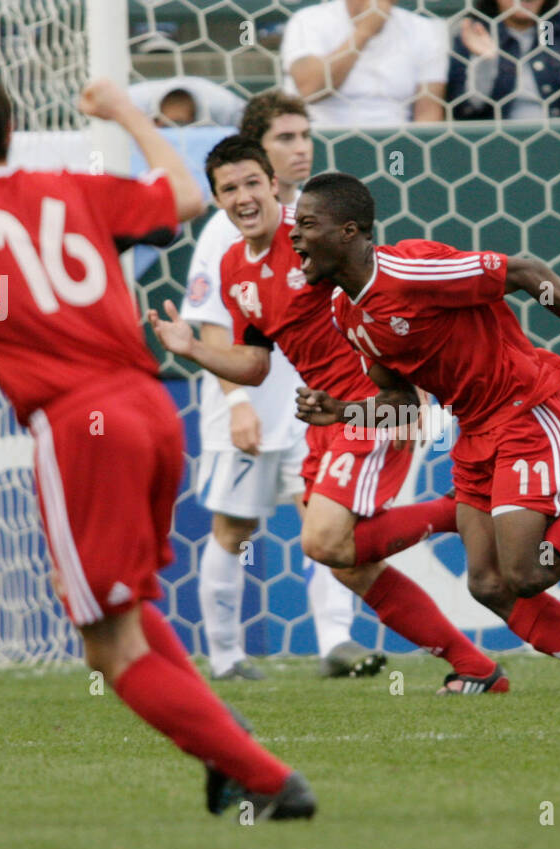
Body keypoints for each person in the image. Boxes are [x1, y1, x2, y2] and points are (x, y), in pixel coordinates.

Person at [0, 68, 315, 819]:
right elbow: (179, 195)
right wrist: (122, 113)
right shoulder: (66, 186)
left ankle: (269, 779)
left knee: (107, 647)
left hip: (80, 427)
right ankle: (224, 741)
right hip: (148, 406)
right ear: (11, 132)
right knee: (128, 609)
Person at [290, 172, 560, 708]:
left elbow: (528, 273)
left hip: (525, 407)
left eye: (306, 224)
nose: (295, 237)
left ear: (350, 232)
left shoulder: (413, 270)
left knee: (526, 573)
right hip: (474, 428)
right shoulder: (346, 313)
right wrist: (343, 411)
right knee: (487, 585)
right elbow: (405, 404)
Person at [153, 136, 506, 693]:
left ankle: (464, 507)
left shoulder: (310, 238)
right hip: (327, 420)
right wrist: (194, 348)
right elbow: (254, 362)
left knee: (321, 541)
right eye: (229, 189)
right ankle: (476, 668)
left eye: (252, 183)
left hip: (375, 407)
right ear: (218, 199)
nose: (244, 197)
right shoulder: (231, 266)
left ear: (273, 185)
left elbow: (379, 276)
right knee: (348, 564)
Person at [179, 89, 385, 680]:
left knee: (324, 516)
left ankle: (336, 644)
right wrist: (238, 402)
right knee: (234, 528)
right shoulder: (223, 235)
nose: (301, 149)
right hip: (248, 408)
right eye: (285, 138)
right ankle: (224, 657)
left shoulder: (313, 225)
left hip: (316, 407)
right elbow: (215, 329)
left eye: (304, 135)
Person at [280, 0, 446, 127]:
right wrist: (364, 32)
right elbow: (310, 88)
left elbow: (428, 112)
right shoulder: (307, 21)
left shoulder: (424, 30)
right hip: (321, 140)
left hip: (396, 145)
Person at [447, 0, 560, 121]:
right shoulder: (477, 32)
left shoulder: (556, 27)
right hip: (499, 150)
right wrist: (485, 62)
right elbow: (465, 109)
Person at [128, 77, 245, 128]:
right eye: (160, 123)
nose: (171, 132)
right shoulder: (132, 100)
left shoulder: (223, 105)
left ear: (192, 118)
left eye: (177, 124)